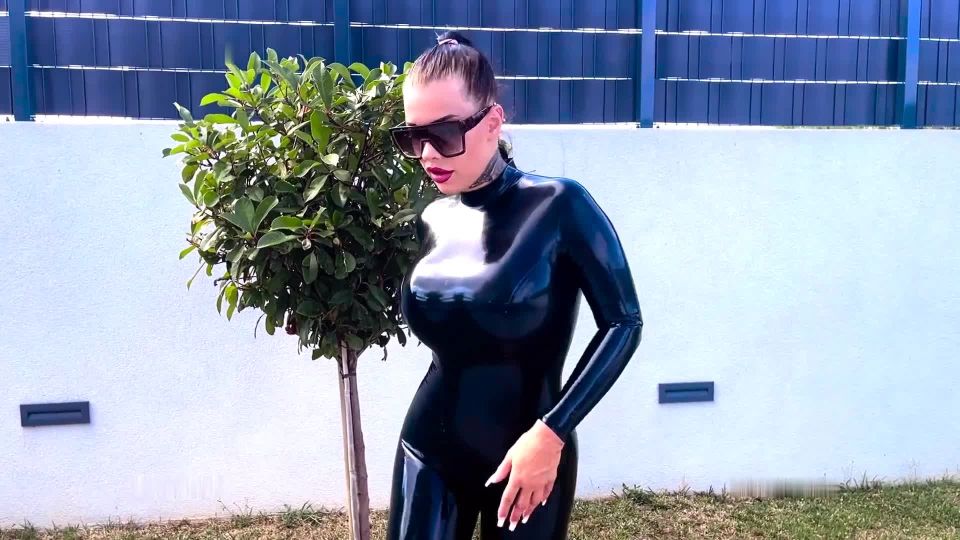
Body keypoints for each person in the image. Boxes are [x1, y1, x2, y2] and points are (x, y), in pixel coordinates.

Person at [386, 31, 643, 539]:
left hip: (530, 454)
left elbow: (624, 322)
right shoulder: (433, 218)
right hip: (428, 450)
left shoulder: (560, 205)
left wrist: (552, 433)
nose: (427, 153)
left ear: (493, 122)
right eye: (413, 137)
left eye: (444, 133)